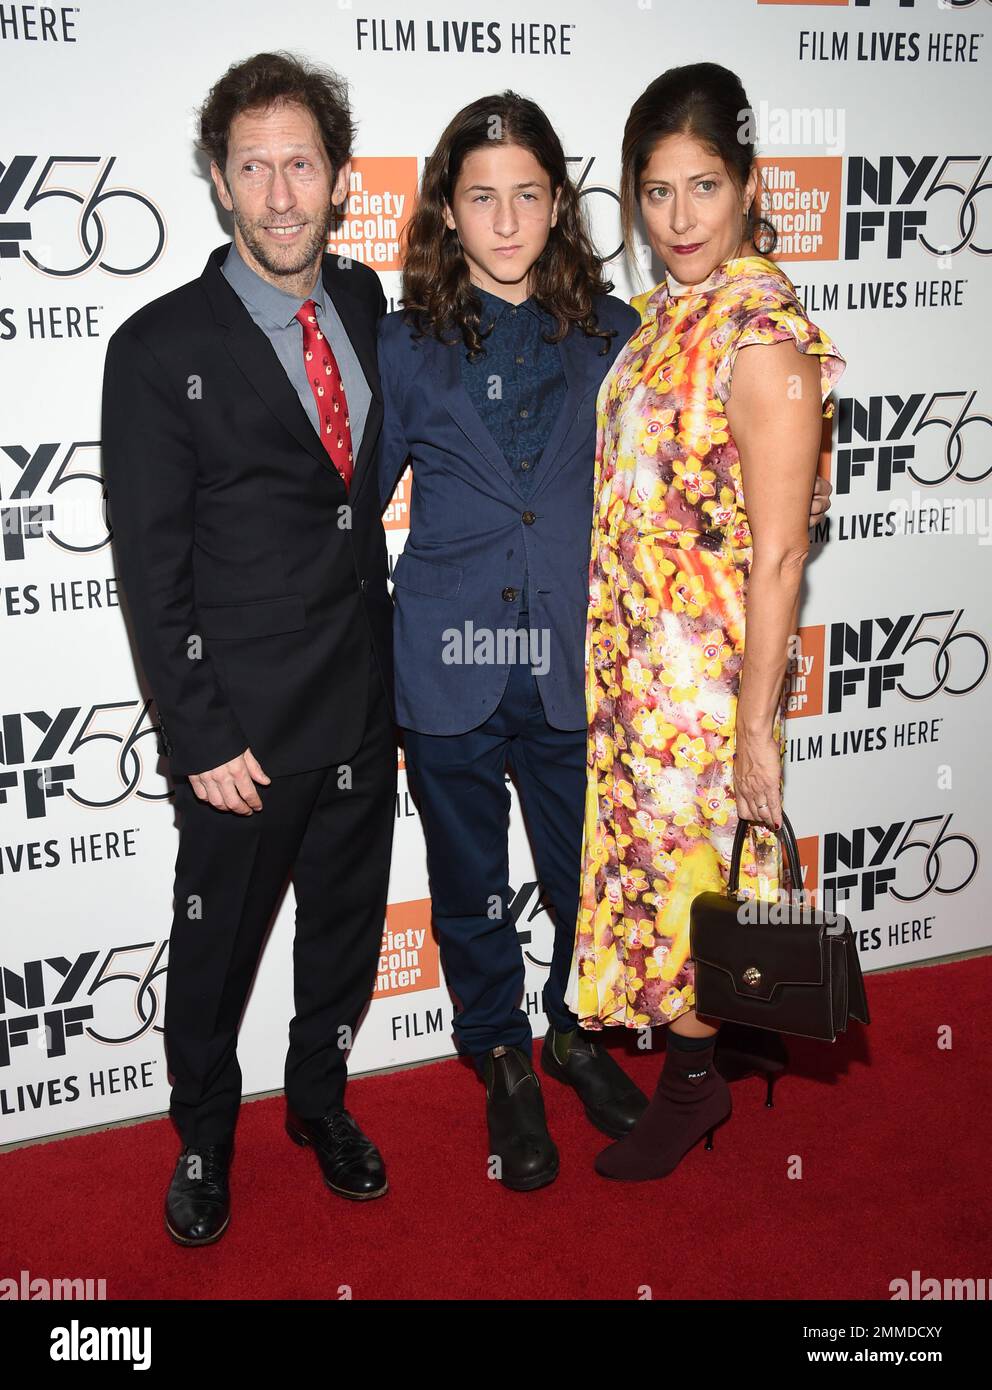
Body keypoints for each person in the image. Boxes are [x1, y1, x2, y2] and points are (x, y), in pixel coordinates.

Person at [377, 92, 832, 1191]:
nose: (504, 221)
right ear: (446, 209)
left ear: (559, 204)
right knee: (470, 891)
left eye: (527, 195)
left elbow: (731, 488)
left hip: (587, 676)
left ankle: (572, 1033)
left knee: (595, 881)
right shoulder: (402, 345)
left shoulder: (617, 333)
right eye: (480, 198)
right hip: (446, 666)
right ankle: (500, 1058)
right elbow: (351, 514)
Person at [101, 51, 396, 1245]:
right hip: (242, 732)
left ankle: (319, 1103)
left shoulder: (365, 303)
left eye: (301, 166)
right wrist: (199, 731)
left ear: (339, 178)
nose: (280, 195)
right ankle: (203, 1138)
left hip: (361, 701)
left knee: (344, 932)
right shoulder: (155, 346)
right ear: (219, 183)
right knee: (216, 951)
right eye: (253, 168)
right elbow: (148, 562)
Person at [565, 62, 847, 1182]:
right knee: (668, 883)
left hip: (702, 687)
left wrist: (755, 729)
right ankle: (729, 1048)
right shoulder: (667, 320)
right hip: (637, 677)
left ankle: (691, 1088)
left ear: (749, 184)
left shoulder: (760, 336)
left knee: (693, 889)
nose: (678, 218)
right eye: (655, 191)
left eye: (703, 186)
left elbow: (779, 551)